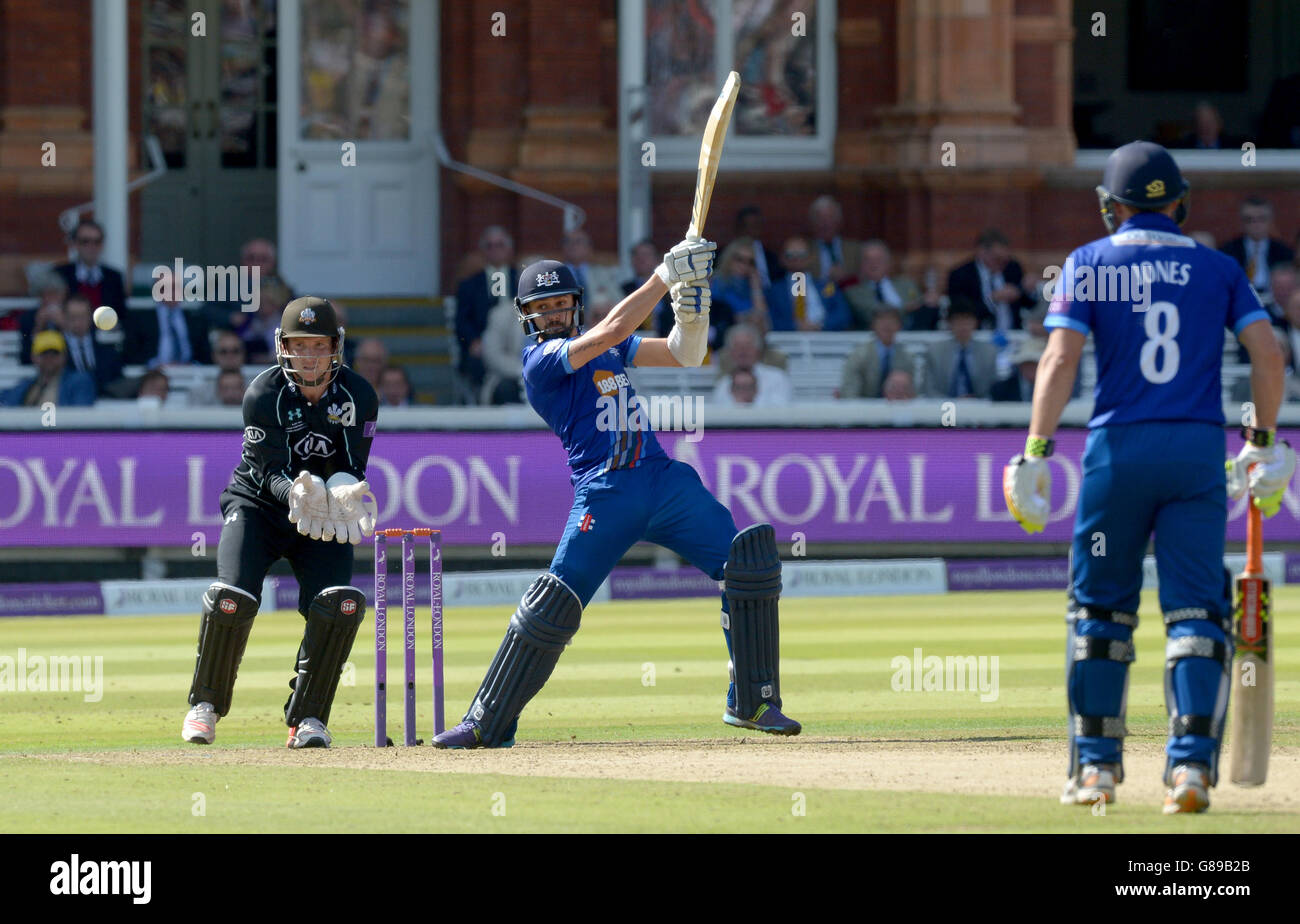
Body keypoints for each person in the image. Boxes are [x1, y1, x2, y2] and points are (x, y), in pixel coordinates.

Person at [1003, 141, 1294, 815]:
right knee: (1197, 612)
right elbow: (1269, 353)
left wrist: (1037, 450)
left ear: (1111, 207)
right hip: (1196, 453)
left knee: (1101, 613)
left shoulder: (1089, 263)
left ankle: (1097, 772)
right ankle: (1190, 771)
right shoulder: (1219, 267)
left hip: (1117, 453)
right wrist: (1262, 441)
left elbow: (1057, 359)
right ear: (1179, 202)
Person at [432, 239, 802, 749]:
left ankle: (753, 702)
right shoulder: (540, 362)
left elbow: (684, 356)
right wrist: (662, 278)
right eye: (542, 308)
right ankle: (485, 721)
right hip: (604, 491)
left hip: (661, 479)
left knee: (749, 563)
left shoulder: (603, 342)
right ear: (527, 316)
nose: (554, 315)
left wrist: (690, 318)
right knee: (554, 601)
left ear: (574, 303)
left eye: (561, 304)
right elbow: (614, 329)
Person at [181, 297, 381, 750]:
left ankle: (309, 717)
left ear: (336, 347)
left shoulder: (360, 396)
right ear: (282, 347)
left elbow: (353, 463)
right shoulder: (262, 394)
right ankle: (205, 707)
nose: (308, 356)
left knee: (339, 604)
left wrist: (346, 490)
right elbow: (266, 470)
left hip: (322, 512)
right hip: (259, 505)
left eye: (318, 346)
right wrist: (294, 492)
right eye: (299, 346)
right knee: (232, 597)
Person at [947, 229, 1037, 332]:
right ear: (981, 252)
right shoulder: (961, 275)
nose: (1001, 265)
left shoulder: (1013, 268)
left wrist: (1029, 290)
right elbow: (960, 311)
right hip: (978, 335)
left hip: (1012, 334)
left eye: (1005, 260)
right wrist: (992, 299)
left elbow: (1028, 304)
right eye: (997, 259)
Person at [767, 235, 851, 331]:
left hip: (826, 338)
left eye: (801, 255)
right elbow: (770, 320)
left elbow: (843, 315)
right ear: (782, 258)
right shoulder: (774, 290)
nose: (796, 259)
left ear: (811, 257)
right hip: (789, 340)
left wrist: (819, 326)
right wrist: (796, 327)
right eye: (790, 255)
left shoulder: (827, 286)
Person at [1220, 197, 1295, 297]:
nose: (1255, 224)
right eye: (1249, 219)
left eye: (1261, 219)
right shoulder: (1228, 251)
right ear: (1241, 222)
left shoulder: (1284, 252)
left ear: (1270, 220)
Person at [52, 219, 127, 319]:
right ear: (74, 244)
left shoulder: (114, 277)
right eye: (85, 241)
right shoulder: (60, 274)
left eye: (97, 242)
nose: (91, 246)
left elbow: (122, 315)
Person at [839, 305, 918, 399]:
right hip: (863, 409)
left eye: (891, 320)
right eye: (881, 320)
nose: (887, 325)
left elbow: (911, 392)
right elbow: (850, 391)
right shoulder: (858, 355)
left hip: (896, 409)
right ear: (873, 325)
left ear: (899, 325)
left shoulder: (907, 357)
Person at [0, 330, 96, 408]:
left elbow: (79, 415)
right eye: (44, 353)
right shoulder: (25, 385)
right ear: (34, 357)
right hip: (26, 430)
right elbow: (6, 402)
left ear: (64, 356)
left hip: (61, 431)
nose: (49, 358)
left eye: (54, 353)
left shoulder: (79, 382)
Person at [923, 299, 998, 398]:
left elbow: (993, 389)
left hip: (979, 408)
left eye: (967, 320)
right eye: (958, 320)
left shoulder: (989, 352)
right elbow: (929, 389)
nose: (963, 325)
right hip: (944, 409)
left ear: (975, 322)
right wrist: (952, 403)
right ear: (949, 323)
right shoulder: (935, 351)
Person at [56, 294, 124, 396]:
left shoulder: (104, 343)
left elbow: (115, 375)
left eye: (82, 317)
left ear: (91, 316)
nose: (78, 322)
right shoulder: (56, 344)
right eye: (73, 317)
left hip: (104, 400)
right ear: (64, 317)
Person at [710, 323, 792, 406]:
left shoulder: (777, 378)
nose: (742, 351)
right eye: (737, 347)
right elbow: (719, 412)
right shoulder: (723, 384)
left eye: (748, 346)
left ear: (758, 350)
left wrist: (752, 400)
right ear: (731, 352)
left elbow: (782, 410)